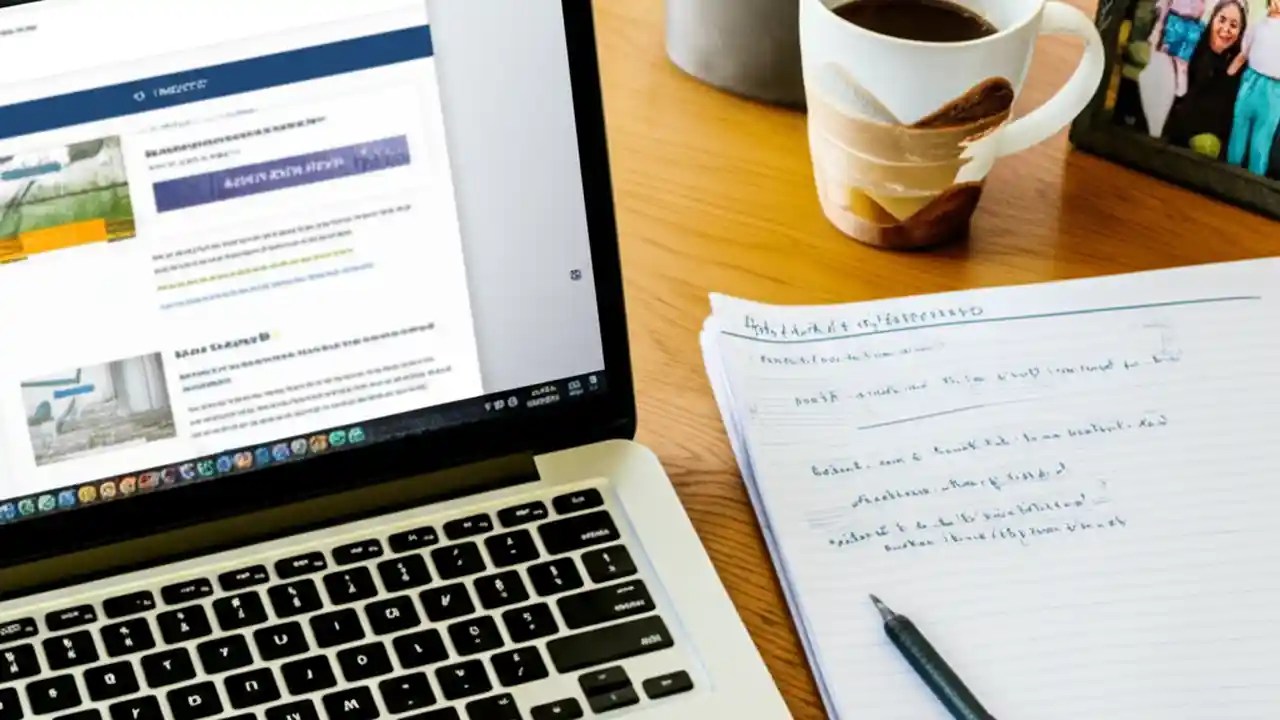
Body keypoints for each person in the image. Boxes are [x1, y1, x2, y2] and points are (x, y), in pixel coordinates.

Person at [1164, 0, 1249, 156]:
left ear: (1240, 33)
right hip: (1178, 134)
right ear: (1212, 19)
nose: (1226, 29)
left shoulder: (1241, 64)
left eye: (1234, 25)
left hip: (1211, 141)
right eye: (1222, 20)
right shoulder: (1194, 47)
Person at [1227, 0, 1280, 175]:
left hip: (1274, 88)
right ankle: (1230, 171)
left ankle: (1255, 178)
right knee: (1239, 126)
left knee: (1262, 138)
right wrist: (1229, 72)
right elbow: (1244, 53)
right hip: (1251, 80)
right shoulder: (1258, 25)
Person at [1150, 0, 1209, 96]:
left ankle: (1176, 99)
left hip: (1194, 25)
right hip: (1174, 20)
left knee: (1182, 66)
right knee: (1166, 61)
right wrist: (1158, 26)